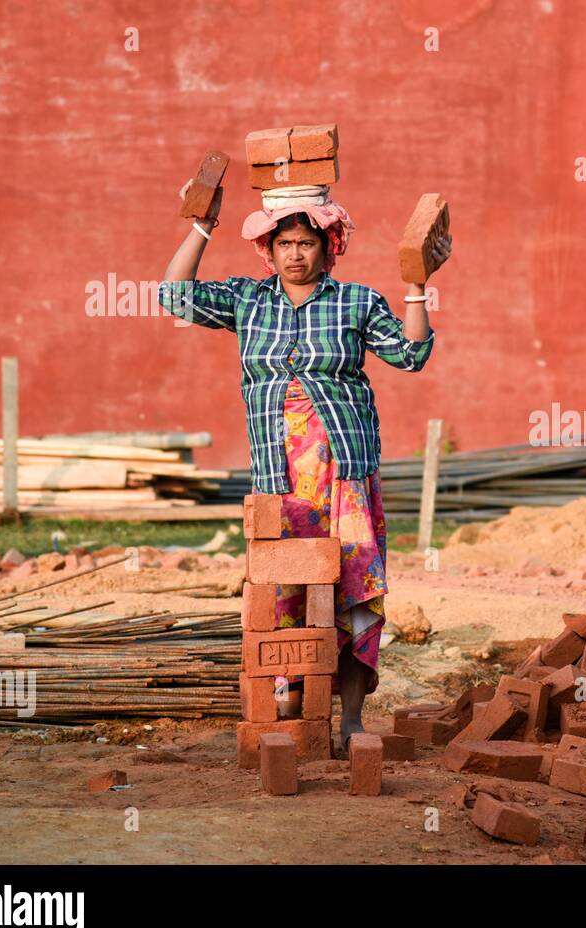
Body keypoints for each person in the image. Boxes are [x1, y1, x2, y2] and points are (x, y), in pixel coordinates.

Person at [159, 182, 451, 752]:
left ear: (329, 246)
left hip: (345, 477)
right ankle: (292, 712)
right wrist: (202, 226)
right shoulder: (249, 300)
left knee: (352, 591)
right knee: (287, 592)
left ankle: (350, 722)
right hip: (280, 483)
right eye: (284, 242)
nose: (296, 253)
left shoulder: (357, 302)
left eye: (307, 243)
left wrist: (416, 287)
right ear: (267, 250)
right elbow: (174, 296)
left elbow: (411, 356)